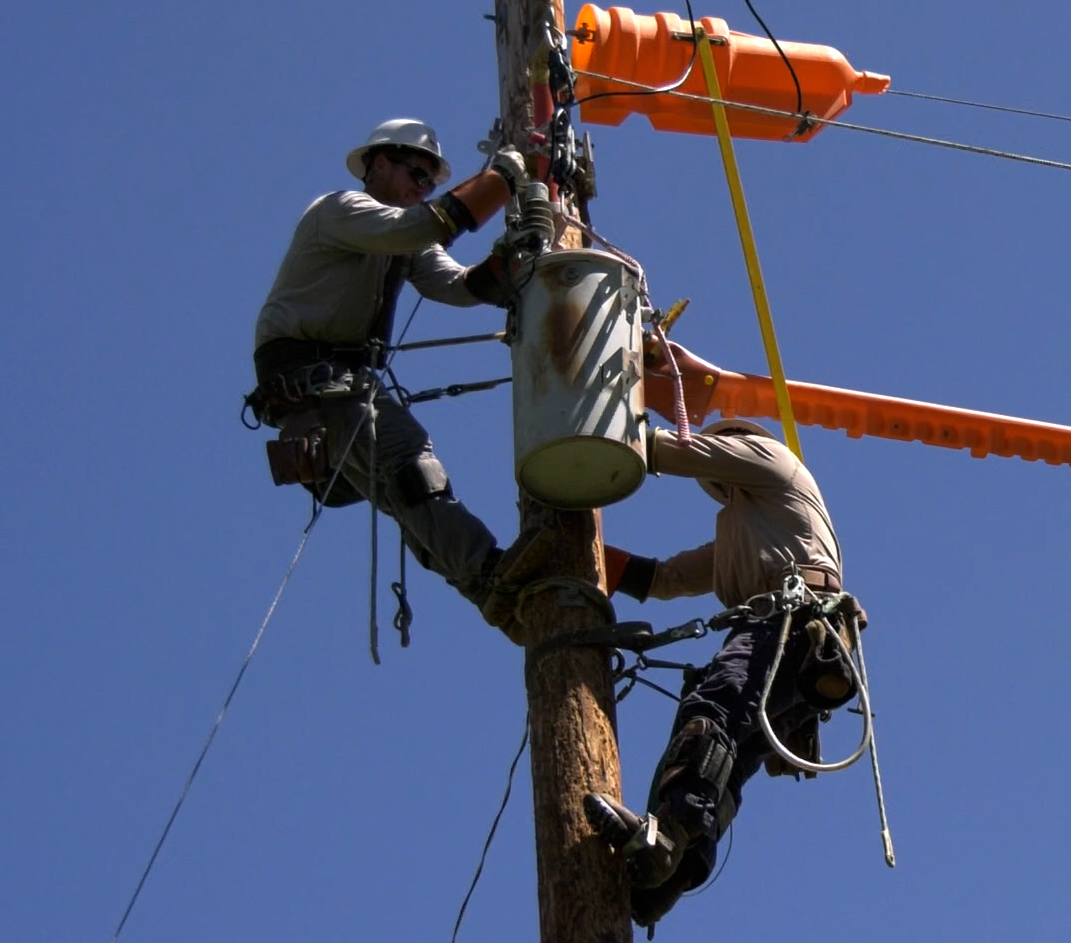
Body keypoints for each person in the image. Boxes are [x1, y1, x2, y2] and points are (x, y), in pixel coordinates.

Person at [588, 415, 863, 929]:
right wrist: (587, 556)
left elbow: (674, 452)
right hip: (796, 642)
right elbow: (665, 578)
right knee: (727, 761)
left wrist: (597, 422)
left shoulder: (774, 462)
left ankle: (667, 836)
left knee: (712, 707)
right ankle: (667, 878)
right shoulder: (747, 525)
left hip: (792, 623)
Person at [249, 118, 533, 611]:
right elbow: (425, 225)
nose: (422, 189)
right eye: (416, 176)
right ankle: (491, 570)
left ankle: (492, 594)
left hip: (336, 386)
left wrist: (510, 266)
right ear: (378, 164)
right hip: (307, 378)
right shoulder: (342, 210)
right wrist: (502, 179)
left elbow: (458, 286)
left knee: (407, 493)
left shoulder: (405, 239)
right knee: (409, 462)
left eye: (429, 182)